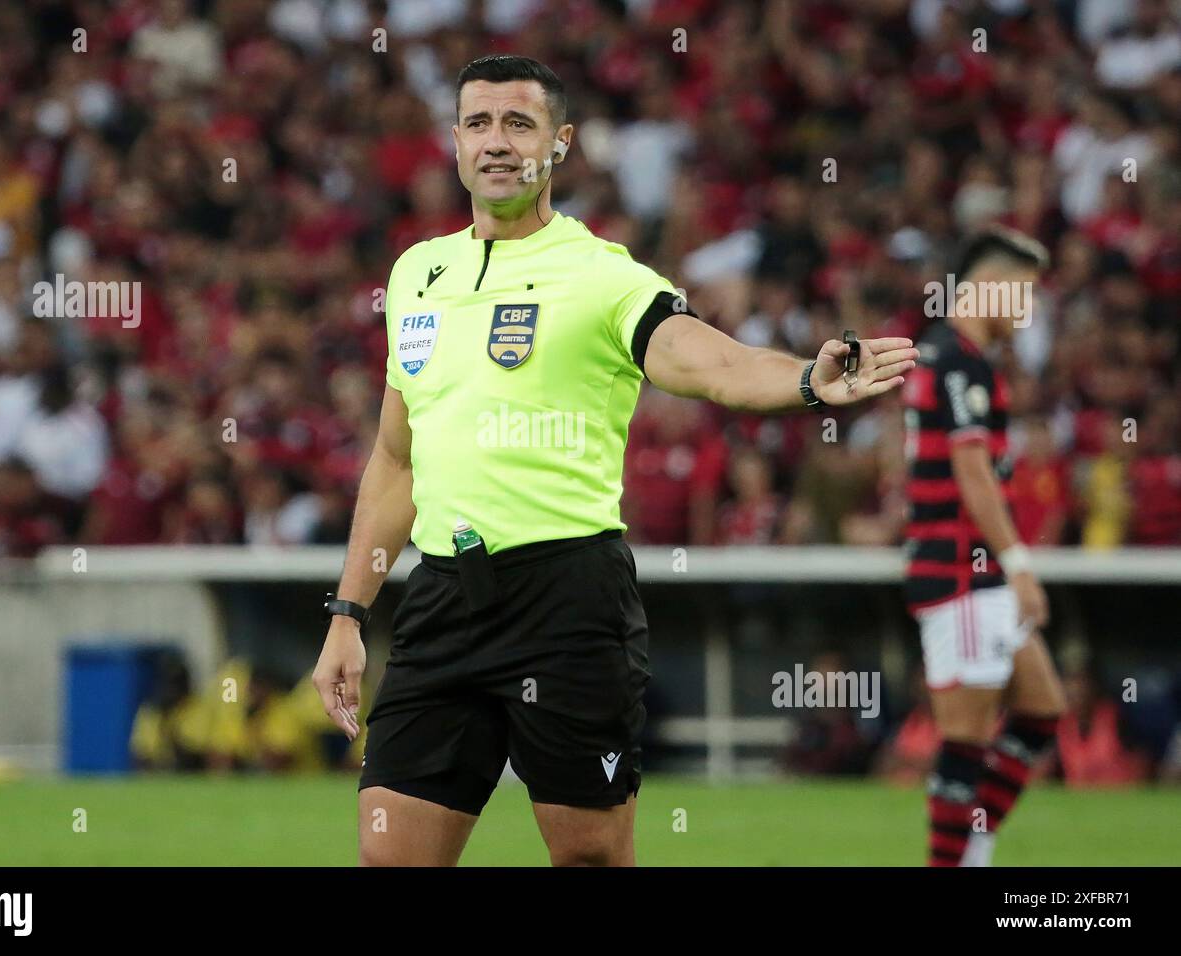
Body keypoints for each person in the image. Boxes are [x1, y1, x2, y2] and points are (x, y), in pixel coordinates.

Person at [312, 55, 918, 867]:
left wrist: (806, 380)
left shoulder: (601, 274)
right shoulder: (418, 275)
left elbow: (709, 361)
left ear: (559, 144)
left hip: (567, 601)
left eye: (519, 124)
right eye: (479, 123)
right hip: (444, 602)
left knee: (591, 858)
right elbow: (395, 462)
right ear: (455, 142)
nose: (497, 142)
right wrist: (349, 614)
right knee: (391, 858)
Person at [902, 226, 1068, 867]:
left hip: (980, 575)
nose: (1027, 312)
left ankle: (974, 842)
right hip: (959, 575)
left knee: (1042, 710)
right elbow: (972, 475)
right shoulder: (955, 360)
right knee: (965, 738)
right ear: (990, 288)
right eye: (1023, 294)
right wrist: (1019, 563)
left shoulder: (958, 359)